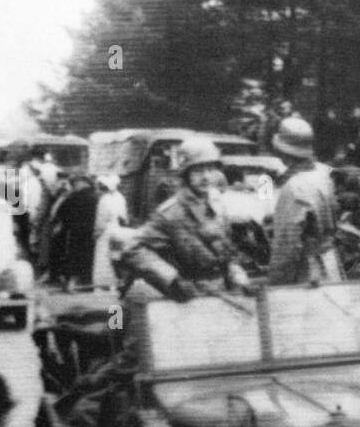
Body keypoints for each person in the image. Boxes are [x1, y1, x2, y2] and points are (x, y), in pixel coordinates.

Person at [121, 136, 249, 300]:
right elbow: (132, 249)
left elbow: (227, 250)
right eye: (198, 171)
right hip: (190, 296)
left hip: (224, 293)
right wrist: (171, 279)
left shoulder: (217, 204)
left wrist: (237, 274)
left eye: (210, 169)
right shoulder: (172, 212)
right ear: (186, 174)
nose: (206, 177)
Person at [266, 117, 341, 285]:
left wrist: (275, 283)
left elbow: (286, 246)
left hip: (307, 272)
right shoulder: (323, 175)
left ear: (282, 152)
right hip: (330, 263)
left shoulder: (294, 187)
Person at [92, 174, 129, 287]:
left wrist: (96, 233)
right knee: (114, 255)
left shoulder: (104, 200)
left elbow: (101, 220)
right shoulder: (120, 197)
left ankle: (103, 282)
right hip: (117, 228)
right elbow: (124, 217)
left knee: (104, 254)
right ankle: (115, 280)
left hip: (106, 230)